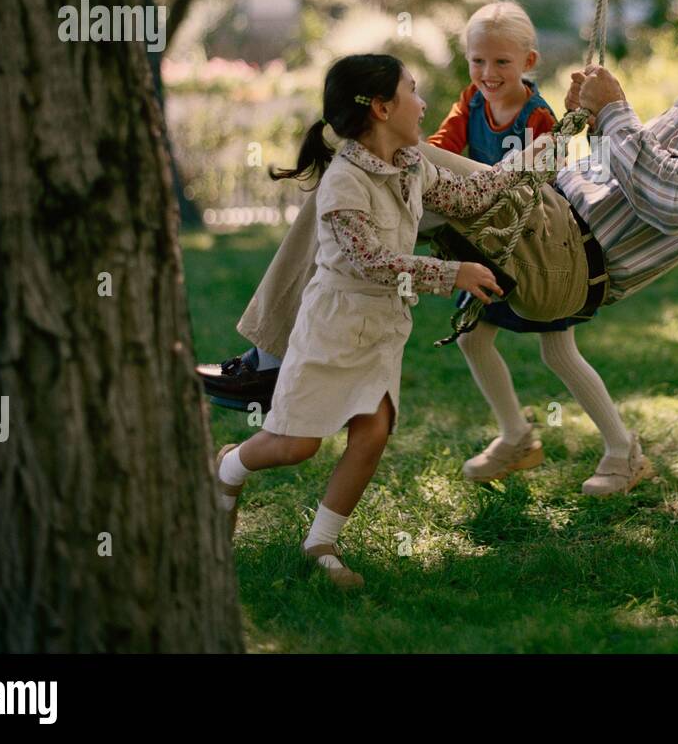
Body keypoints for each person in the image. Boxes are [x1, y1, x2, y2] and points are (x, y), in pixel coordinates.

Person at [202, 0, 678, 496]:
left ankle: (277, 363)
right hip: (550, 223)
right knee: (373, 171)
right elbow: (638, 171)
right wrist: (588, 122)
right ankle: (289, 365)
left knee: (377, 159)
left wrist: (615, 111)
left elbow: (676, 200)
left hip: (563, 249)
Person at [213, 53, 553, 588]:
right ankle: (227, 469)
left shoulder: (413, 163)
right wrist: (452, 273)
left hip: (382, 328)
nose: (423, 103)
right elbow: (368, 261)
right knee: (296, 445)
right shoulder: (345, 181)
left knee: (373, 433)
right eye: (413, 91)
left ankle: (320, 543)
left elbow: (471, 194)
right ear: (380, 107)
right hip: (333, 327)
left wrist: (540, 152)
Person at [426, 1, 645, 493]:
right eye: (477, 60)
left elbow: (547, 175)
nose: (487, 73)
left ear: (528, 62)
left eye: (501, 62)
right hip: (489, 238)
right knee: (472, 337)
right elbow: (442, 145)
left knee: (559, 352)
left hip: (539, 243)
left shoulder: (539, 115)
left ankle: (621, 446)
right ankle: (517, 436)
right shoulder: (472, 102)